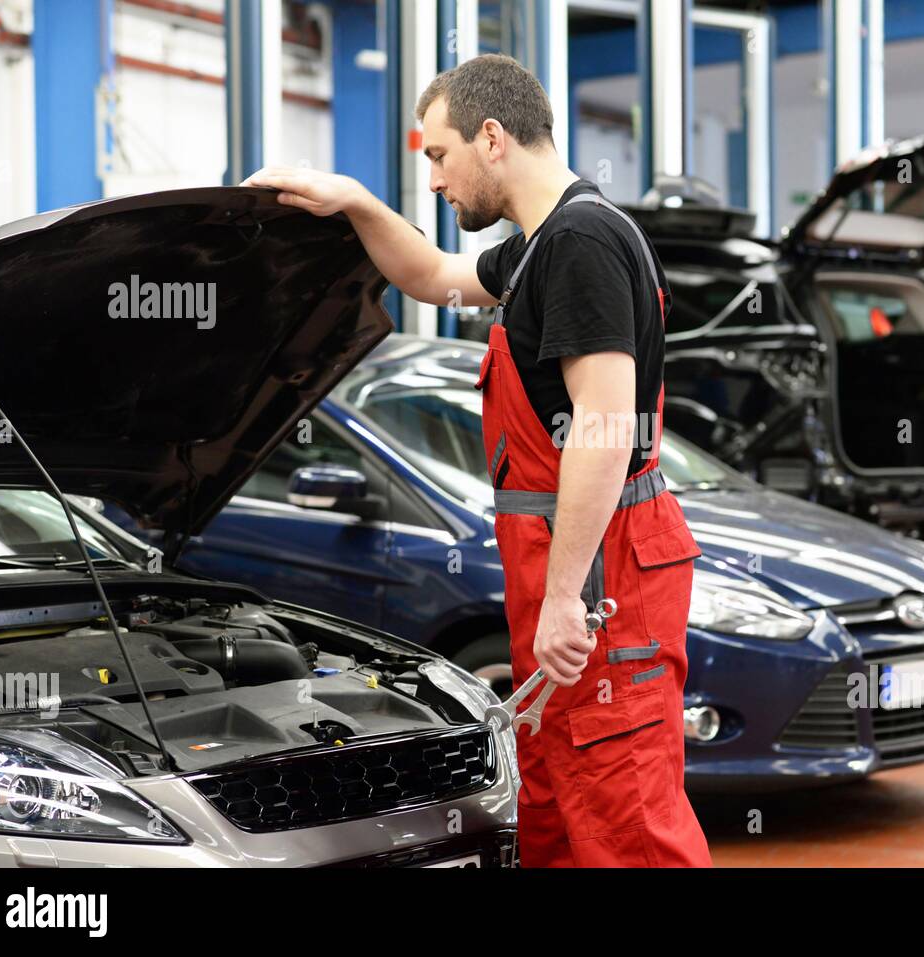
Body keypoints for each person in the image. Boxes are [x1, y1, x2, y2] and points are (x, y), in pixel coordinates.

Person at [243, 53, 711, 868]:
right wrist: (355, 200)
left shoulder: (582, 243)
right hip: (571, 582)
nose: (433, 180)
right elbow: (429, 275)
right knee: (561, 806)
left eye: (437, 154)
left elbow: (603, 427)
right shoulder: (536, 249)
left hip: (605, 590)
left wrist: (566, 596)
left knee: (627, 820)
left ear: (491, 138)